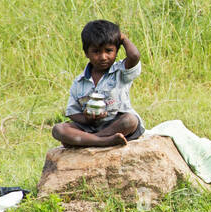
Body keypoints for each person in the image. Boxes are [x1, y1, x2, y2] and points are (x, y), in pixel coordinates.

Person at [52, 20, 145, 148]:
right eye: (96, 51)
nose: (103, 57)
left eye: (109, 50)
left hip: (116, 124)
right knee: (58, 129)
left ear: (117, 51)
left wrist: (121, 37)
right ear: (86, 53)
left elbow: (134, 56)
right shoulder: (79, 82)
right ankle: (103, 141)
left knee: (130, 120)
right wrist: (87, 119)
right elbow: (72, 112)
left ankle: (88, 140)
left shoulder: (120, 72)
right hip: (89, 127)